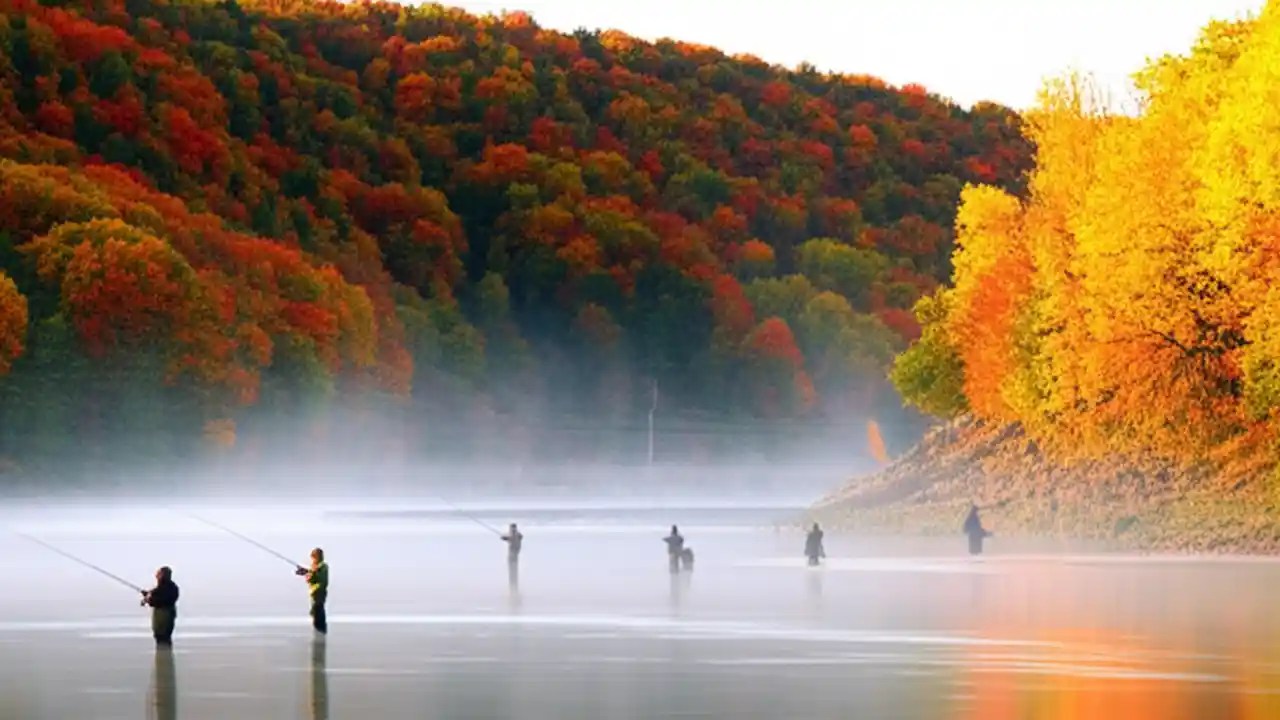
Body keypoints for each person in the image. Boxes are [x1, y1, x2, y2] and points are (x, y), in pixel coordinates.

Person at [141, 566, 179, 646]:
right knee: (162, 639)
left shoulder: (169, 588)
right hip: (163, 619)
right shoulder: (169, 587)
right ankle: (165, 657)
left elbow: (161, 601)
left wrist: (149, 599)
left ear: (163, 575)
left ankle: (164, 657)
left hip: (164, 619)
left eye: (158, 574)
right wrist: (148, 595)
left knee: (163, 639)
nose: (156, 576)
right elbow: (155, 594)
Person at [296, 548, 329, 634]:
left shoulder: (321, 567)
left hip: (318, 593)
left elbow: (315, 577)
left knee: (318, 613)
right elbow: (313, 575)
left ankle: (320, 632)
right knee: (316, 612)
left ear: (316, 557)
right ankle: (319, 631)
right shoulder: (320, 567)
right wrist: (306, 572)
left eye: (313, 558)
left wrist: (308, 573)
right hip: (317, 593)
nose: (312, 560)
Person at [502, 523, 523, 590]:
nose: (511, 530)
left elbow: (511, 538)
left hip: (513, 556)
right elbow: (511, 539)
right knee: (513, 572)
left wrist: (505, 538)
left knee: (513, 572)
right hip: (514, 556)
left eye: (511, 528)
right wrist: (506, 538)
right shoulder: (517, 535)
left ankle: (513, 587)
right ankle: (514, 587)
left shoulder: (516, 535)